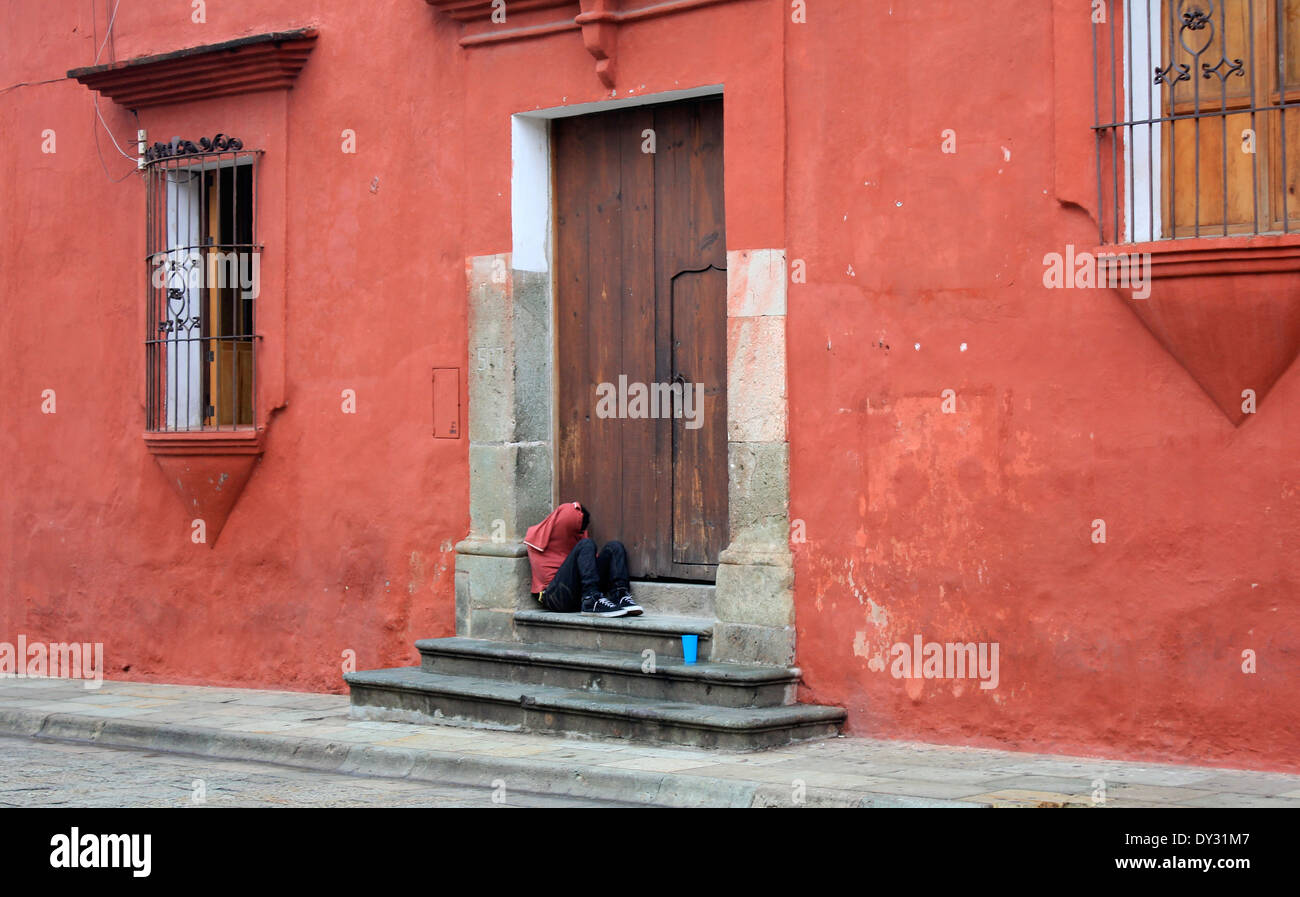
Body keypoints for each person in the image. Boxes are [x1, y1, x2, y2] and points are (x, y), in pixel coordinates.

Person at [524, 501, 641, 617]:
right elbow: (567, 517)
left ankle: (619, 594)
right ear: (568, 527)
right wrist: (576, 516)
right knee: (586, 544)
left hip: (578, 594)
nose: (580, 535)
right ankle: (591, 599)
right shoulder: (538, 537)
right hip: (556, 597)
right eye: (577, 531)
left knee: (614, 547)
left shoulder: (573, 540)